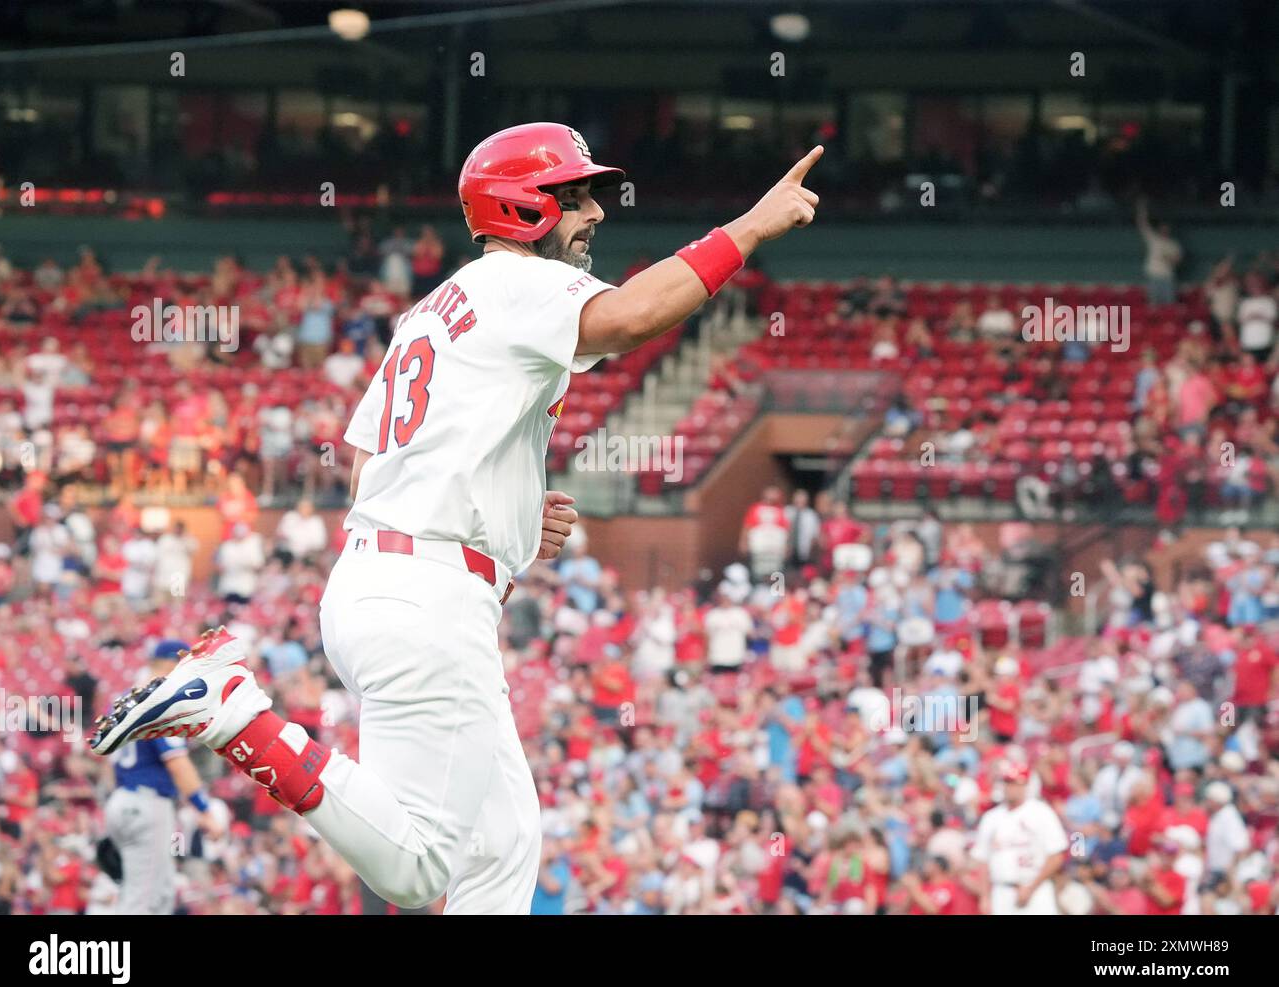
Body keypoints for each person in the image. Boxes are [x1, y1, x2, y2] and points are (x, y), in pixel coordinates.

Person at [89, 121, 822, 914]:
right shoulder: (517, 281)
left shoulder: (431, 310)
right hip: (429, 597)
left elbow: (375, 466)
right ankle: (231, 711)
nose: (596, 213)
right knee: (417, 870)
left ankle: (229, 708)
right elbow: (631, 318)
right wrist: (750, 227)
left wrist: (500, 507)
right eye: (573, 196)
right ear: (520, 209)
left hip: (387, 579)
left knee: (505, 847)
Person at [102, 640, 224, 914]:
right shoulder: (160, 700)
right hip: (147, 804)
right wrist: (204, 810)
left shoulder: (125, 699)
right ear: (174, 663)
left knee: (159, 895)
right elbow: (178, 764)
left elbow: (108, 764)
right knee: (142, 901)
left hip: (124, 798)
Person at [969, 760, 1069, 915]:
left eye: (1015, 783)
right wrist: (984, 897)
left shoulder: (1041, 812)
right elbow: (983, 862)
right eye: (1007, 782)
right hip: (1001, 891)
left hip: (1036, 890)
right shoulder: (991, 818)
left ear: (1026, 784)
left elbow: (1056, 856)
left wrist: (1032, 887)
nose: (1010, 787)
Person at [1135, 197, 1182, 306]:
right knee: (1153, 305)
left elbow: (1178, 260)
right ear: (1159, 228)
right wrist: (1142, 208)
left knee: (1170, 304)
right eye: (1162, 227)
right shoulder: (1153, 239)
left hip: (1167, 276)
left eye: (1166, 228)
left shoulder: (1174, 244)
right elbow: (1142, 224)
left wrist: (1168, 258)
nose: (1164, 229)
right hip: (1153, 275)